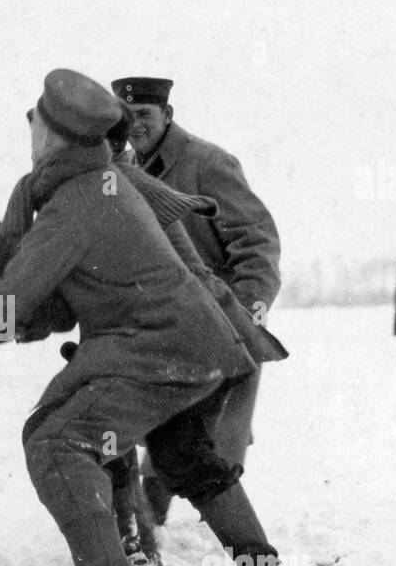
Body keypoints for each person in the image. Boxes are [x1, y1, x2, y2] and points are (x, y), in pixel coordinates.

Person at [0, 70, 278, 566]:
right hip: (188, 344)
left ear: (54, 137)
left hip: (161, 347)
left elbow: (11, 305)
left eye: (34, 125)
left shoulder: (76, 201)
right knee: (179, 449)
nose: (30, 136)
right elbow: (59, 302)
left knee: (56, 441)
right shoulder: (105, 182)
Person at [112, 75, 282, 521]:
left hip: (218, 327)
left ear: (167, 115)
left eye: (145, 115)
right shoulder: (124, 170)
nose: (135, 126)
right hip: (163, 328)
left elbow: (257, 244)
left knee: (203, 451)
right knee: (167, 442)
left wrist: (245, 315)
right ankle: (149, 535)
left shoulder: (206, 163)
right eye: (126, 117)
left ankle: (251, 559)